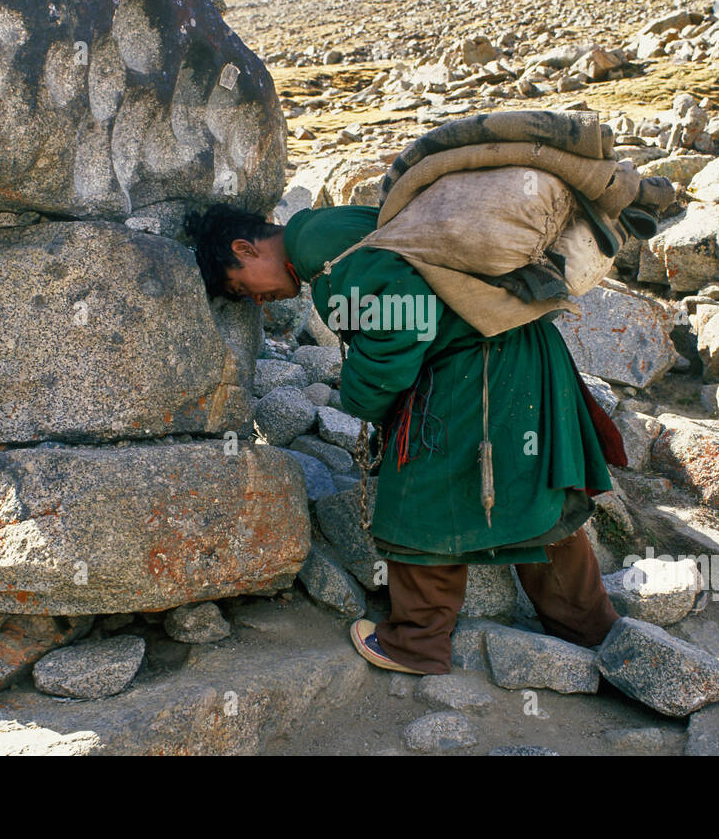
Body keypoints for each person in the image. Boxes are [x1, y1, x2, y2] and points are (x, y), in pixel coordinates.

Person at [184, 201, 624, 675]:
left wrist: (359, 397)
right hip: (516, 352)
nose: (256, 301)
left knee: (417, 496)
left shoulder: (324, 247)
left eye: (240, 287)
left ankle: (416, 643)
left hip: (481, 368)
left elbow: (404, 323)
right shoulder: (334, 229)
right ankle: (592, 631)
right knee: (535, 493)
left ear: (245, 249)